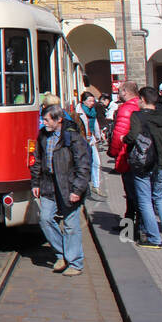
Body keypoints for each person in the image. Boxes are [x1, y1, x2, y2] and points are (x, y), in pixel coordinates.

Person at [30, 105, 92, 275]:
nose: (44, 123)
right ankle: (63, 253)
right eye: (43, 119)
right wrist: (35, 183)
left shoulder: (72, 137)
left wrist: (77, 190)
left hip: (68, 186)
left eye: (47, 120)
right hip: (49, 184)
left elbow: (83, 165)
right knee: (45, 219)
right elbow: (37, 160)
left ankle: (75, 263)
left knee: (71, 225)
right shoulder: (43, 135)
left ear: (59, 120)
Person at [124, 86, 162, 248]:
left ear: (143, 100)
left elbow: (132, 136)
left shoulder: (137, 116)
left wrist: (124, 139)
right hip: (161, 163)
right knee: (160, 198)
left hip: (143, 163)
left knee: (145, 201)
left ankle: (154, 238)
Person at [110, 81, 142, 227]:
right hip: (143, 156)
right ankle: (132, 225)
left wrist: (113, 152)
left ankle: (133, 228)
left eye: (120, 91)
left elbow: (119, 134)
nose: (118, 94)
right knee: (138, 193)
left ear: (125, 92)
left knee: (131, 194)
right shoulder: (141, 105)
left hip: (127, 155)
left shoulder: (126, 109)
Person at [75, 90, 105, 201]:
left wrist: (98, 135)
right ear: (83, 102)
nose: (92, 103)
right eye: (90, 101)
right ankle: (84, 188)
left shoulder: (92, 111)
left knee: (97, 162)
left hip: (91, 139)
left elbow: (95, 123)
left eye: (93, 100)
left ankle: (96, 186)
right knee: (84, 164)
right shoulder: (78, 112)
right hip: (82, 140)